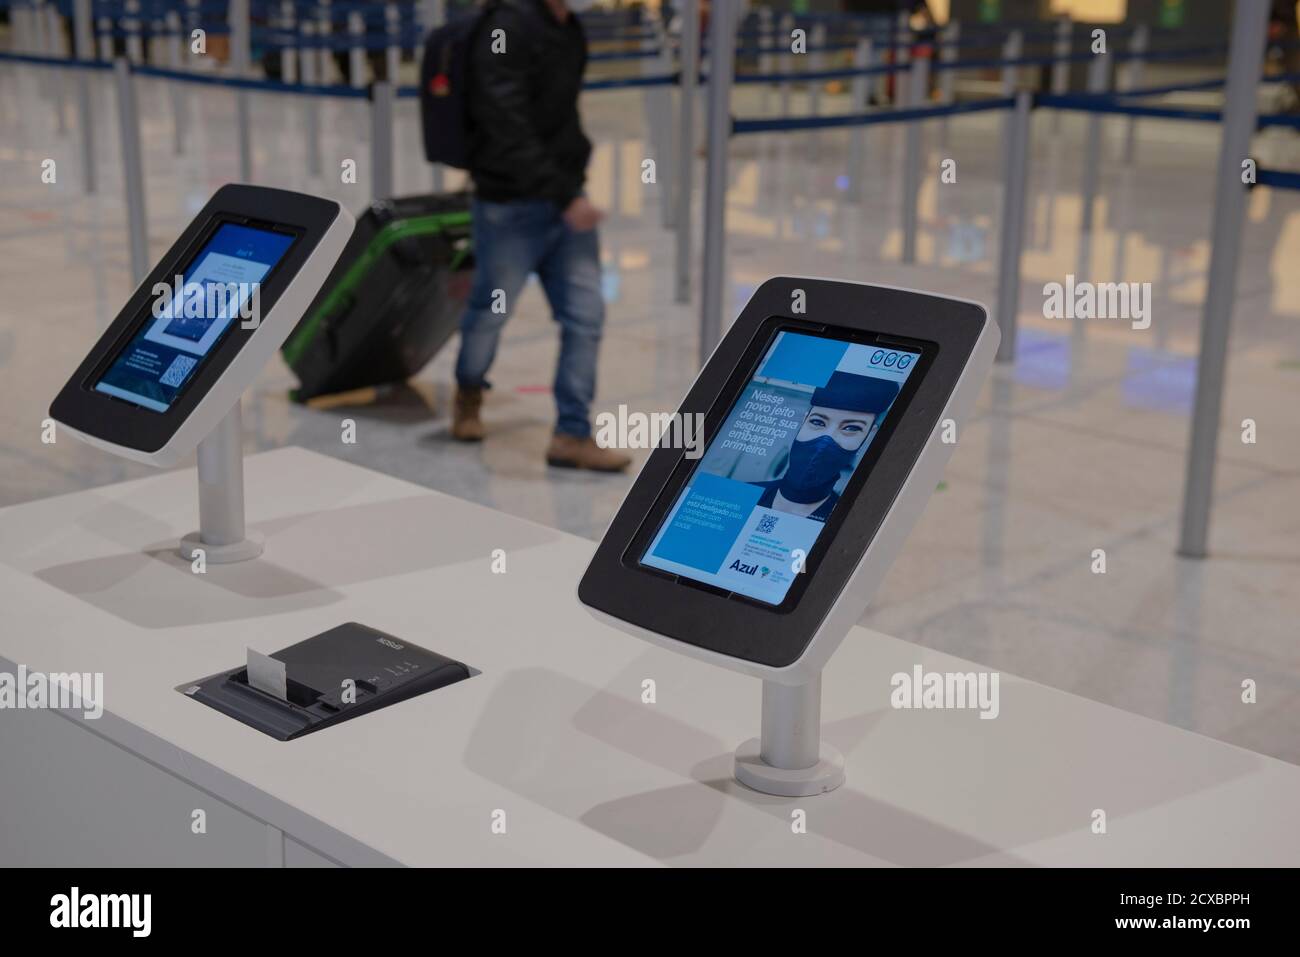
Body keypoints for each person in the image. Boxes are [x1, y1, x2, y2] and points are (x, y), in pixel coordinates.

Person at [451, 0, 631, 472]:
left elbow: (561, 112)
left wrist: (571, 180)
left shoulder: (569, 27)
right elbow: (504, 123)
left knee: (585, 316)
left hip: (565, 201)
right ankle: (468, 393)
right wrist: (564, 194)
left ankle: (571, 434)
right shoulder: (506, 26)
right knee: (492, 310)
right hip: (509, 206)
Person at [751, 372, 899, 522]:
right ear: (803, 421)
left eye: (851, 428)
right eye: (817, 422)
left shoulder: (846, 521)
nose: (825, 442)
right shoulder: (744, 492)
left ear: (868, 437)